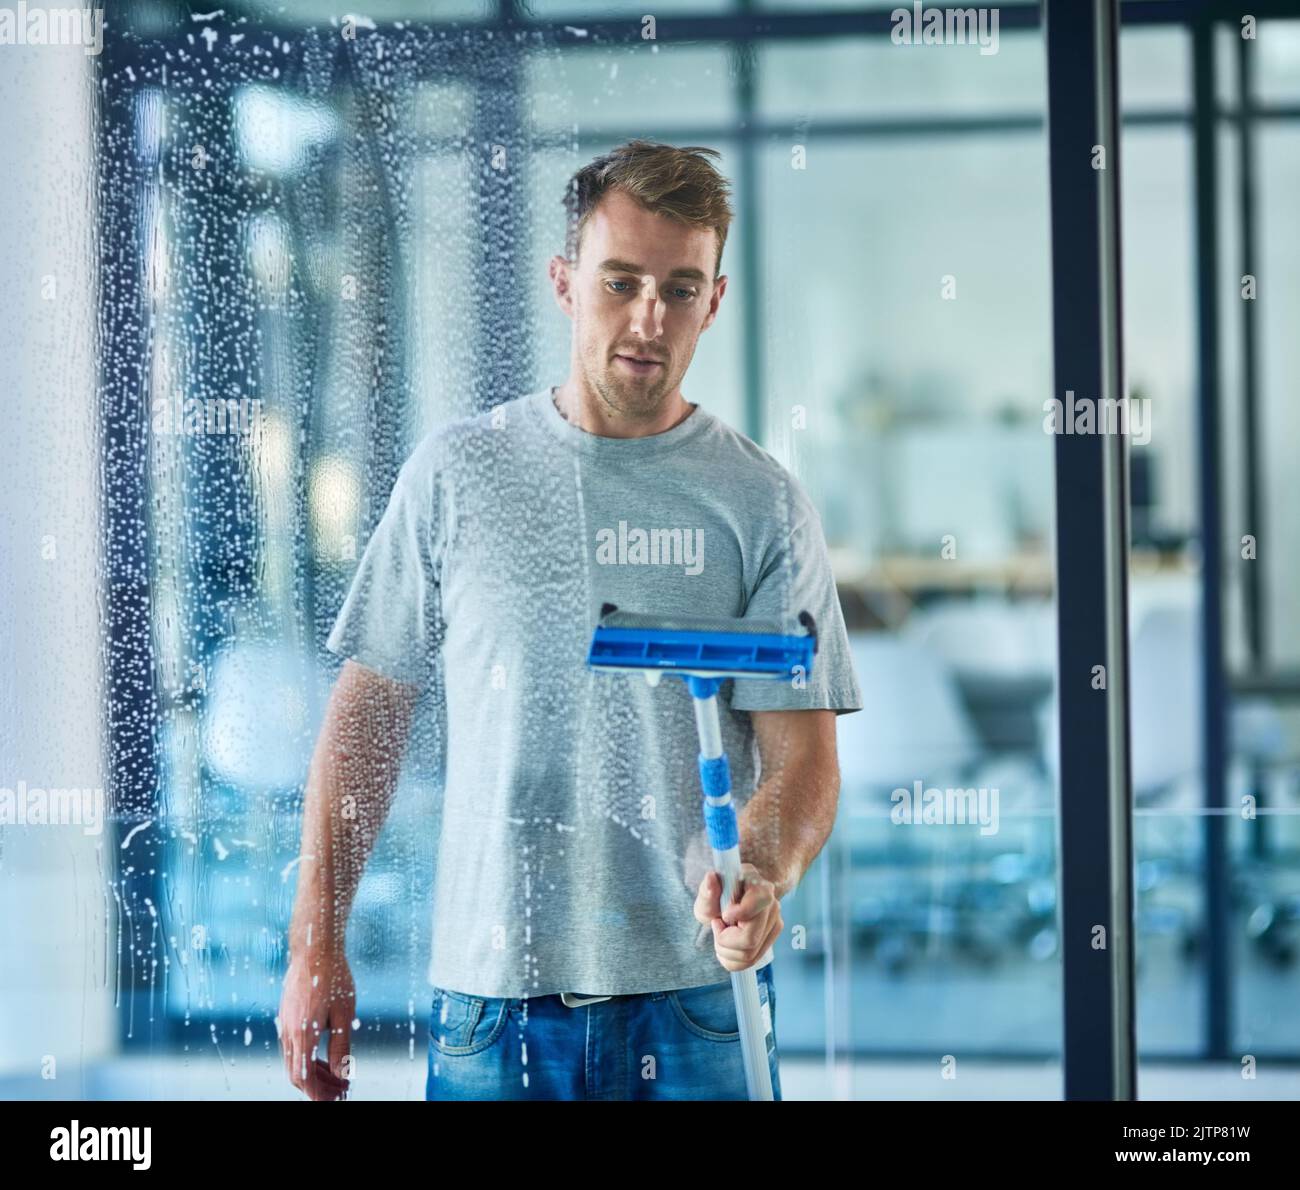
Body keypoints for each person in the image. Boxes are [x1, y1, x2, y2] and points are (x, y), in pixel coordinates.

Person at [278, 139, 863, 1101]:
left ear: (715, 301)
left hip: (694, 997)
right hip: (491, 1001)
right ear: (564, 281)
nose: (647, 317)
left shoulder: (761, 504)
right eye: (620, 280)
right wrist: (316, 942)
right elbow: (368, 717)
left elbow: (802, 762)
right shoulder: (456, 474)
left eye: (680, 289)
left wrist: (758, 867)